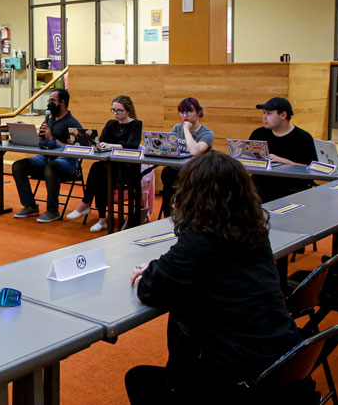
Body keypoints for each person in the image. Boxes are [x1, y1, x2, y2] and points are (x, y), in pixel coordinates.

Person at [125, 151, 305, 404]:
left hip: (236, 377)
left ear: (191, 193)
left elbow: (150, 290)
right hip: (282, 363)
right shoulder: (255, 233)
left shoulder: (199, 243)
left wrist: (156, 268)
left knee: (139, 380)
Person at [67, 95, 144, 232]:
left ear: (128, 110)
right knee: (99, 171)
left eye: (119, 110)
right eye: (113, 110)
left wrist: (111, 145)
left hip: (127, 168)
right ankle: (100, 217)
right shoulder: (111, 124)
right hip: (110, 166)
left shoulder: (136, 124)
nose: (115, 113)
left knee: (98, 171)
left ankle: (88, 206)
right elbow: (101, 140)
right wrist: (100, 145)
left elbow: (132, 145)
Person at [12, 90, 82, 223]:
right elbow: (40, 139)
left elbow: (74, 149)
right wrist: (25, 130)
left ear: (62, 103)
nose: (49, 104)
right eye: (49, 101)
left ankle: (52, 210)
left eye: (52, 101)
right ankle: (30, 205)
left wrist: (52, 138)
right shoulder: (49, 118)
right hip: (46, 157)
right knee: (19, 166)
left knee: (51, 167)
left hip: (67, 161)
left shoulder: (72, 123)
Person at [248, 96, 317, 202]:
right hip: (260, 187)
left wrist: (283, 161)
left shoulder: (303, 138)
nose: (265, 117)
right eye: (264, 113)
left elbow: (312, 169)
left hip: (291, 190)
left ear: (283, 115)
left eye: (269, 113)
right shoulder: (258, 134)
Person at [158, 97, 214, 215]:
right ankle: (167, 214)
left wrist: (187, 130)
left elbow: (195, 151)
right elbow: (170, 149)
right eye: (182, 112)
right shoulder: (176, 128)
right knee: (167, 173)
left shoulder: (206, 133)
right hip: (177, 169)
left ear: (198, 112)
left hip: (197, 172)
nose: (185, 115)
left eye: (189, 111)